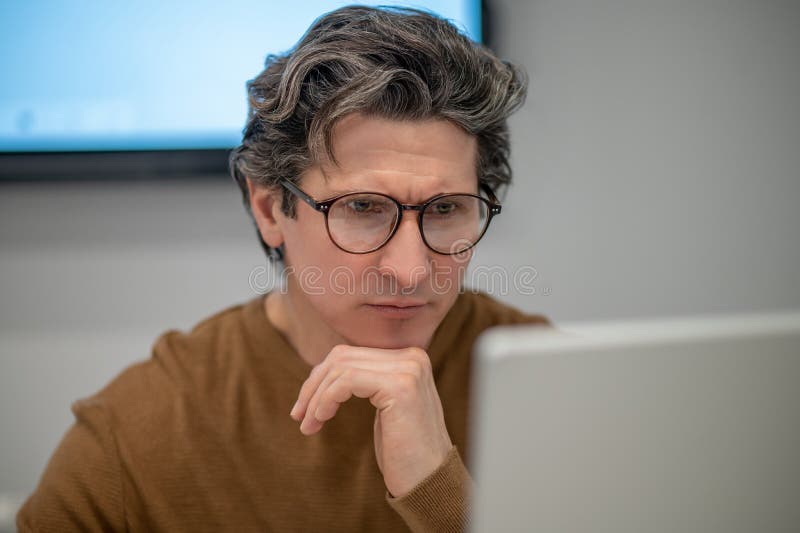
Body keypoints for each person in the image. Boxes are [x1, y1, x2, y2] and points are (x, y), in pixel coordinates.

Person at [17, 5, 549, 532]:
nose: (410, 271)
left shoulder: (550, 384)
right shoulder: (137, 434)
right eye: (362, 208)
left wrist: (441, 498)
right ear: (271, 209)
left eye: (445, 208)